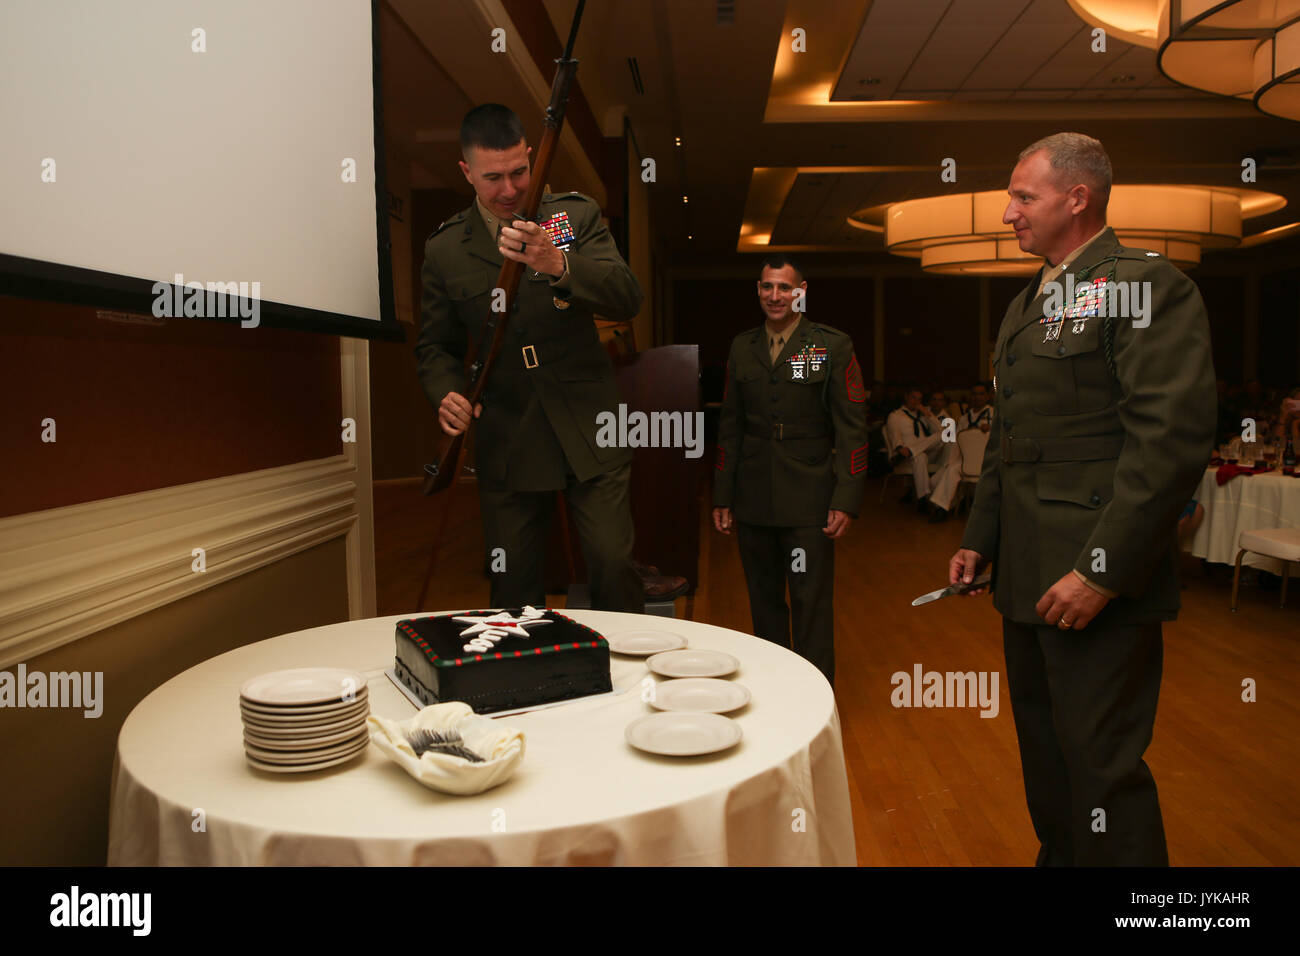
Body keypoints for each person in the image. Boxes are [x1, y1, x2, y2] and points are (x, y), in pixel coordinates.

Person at [948, 132, 1215, 866]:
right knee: (1046, 756)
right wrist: (981, 538)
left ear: (1077, 197)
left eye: (1021, 197)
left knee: (1103, 770)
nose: (1007, 214)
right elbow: (1014, 441)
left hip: (1095, 577)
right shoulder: (1027, 301)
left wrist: (1100, 570)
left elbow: (1170, 444)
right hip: (1028, 574)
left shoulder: (1145, 283)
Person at [416, 103, 644, 613]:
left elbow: (627, 296)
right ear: (466, 172)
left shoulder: (573, 215)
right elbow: (436, 347)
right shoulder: (446, 249)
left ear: (532, 157)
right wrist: (447, 394)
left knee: (612, 565)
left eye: (519, 171)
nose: (509, 190)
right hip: (509, 437)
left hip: (590, 426)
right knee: (513, 586)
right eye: (492, 177)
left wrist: (557, 262)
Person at [711, 255, 867, 685]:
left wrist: (846, 500)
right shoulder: (743, 346)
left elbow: (852, 429)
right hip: (754, 496)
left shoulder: (831, 345)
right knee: (763, 601)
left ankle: (814, 697)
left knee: (809, 601)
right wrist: (723, 495)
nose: (775, 296)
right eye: (766, 287)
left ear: (801, 291)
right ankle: (776, 691)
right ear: (758, 290)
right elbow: (730, 427)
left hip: (809, 499)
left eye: (784, 287)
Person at [886, 387, 954, 515]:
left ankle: (913, 450)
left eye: (919, 399)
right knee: (920, 457)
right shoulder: (896, 416)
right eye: (913, 398)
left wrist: (928, 415)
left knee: (946, 433)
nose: (916, 401)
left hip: (925, 451)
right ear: (906, 397)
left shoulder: (923, 415)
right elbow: (895, 436)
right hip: (906, 456)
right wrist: (900, 448)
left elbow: (940, 431)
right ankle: (923, 500)